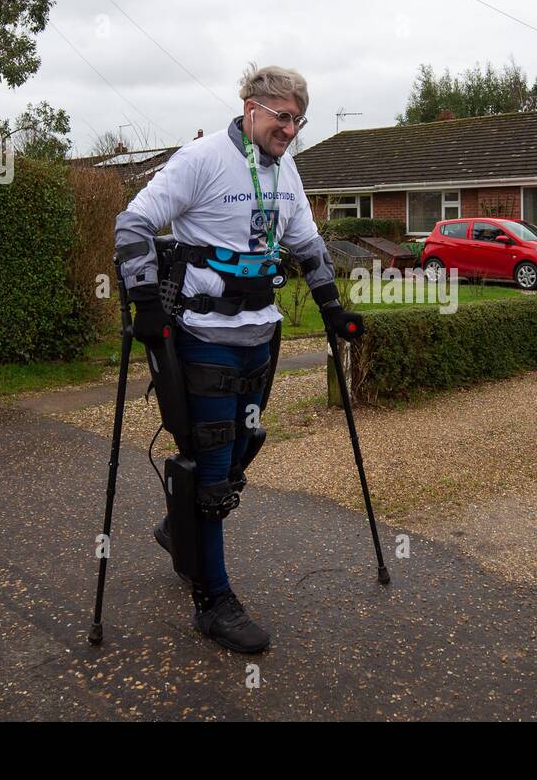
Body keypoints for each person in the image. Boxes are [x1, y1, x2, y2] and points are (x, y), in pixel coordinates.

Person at [113, 63, 362, 654]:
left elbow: (305, 243)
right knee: (214, 471)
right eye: (282, 117)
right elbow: (133, 223)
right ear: (251, 107)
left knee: (246, 446)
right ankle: (213, 601)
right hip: (206, 338)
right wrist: (145, 302)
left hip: (264, 335)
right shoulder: (201, 160)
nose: (291, 129)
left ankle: (180, 531)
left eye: (298, 120)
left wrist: (332, 307)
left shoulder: (287, 170)